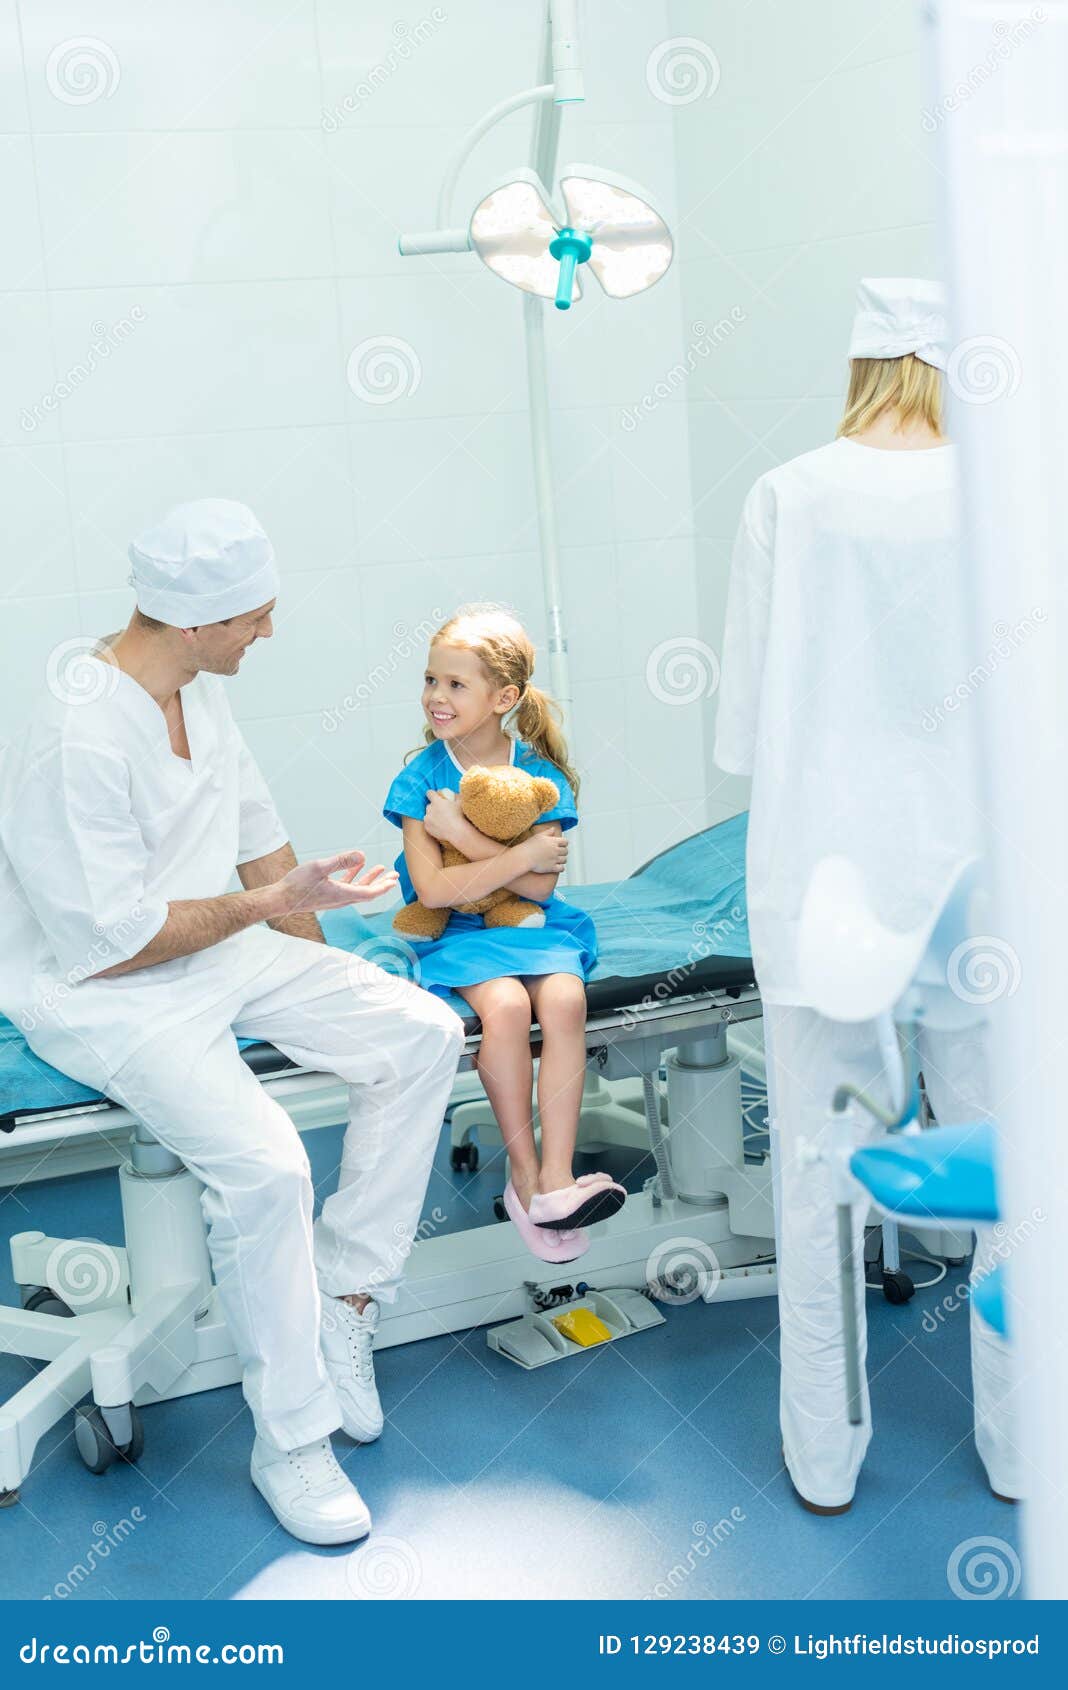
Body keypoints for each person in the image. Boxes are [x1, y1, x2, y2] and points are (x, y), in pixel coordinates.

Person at [0, 499, 465, 1546]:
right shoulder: (77, 735)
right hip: (105, 990)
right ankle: (289, 1440)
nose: (267, 631)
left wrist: (330, 984)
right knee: (269, 1170)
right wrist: (265, 908)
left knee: (418, 1032)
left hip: (214, 948)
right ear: (198, 620)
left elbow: (265, 857)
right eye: (254, 615)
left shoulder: (196, 695)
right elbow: (112, 942)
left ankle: (344, 1303)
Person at [714, 279, 1019, 1513]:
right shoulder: (1007, 496)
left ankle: (826, 1458)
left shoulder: (788, 494)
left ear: (857, 362)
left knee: (820, 1174)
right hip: (987, 881)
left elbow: (741, 729)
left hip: (827, 880)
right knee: (1013, 1172)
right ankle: (1022, 1448)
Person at [383, 605, 623, 1263]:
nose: (436, 696)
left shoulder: (539, 778)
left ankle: (557, 1178)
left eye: (455, 685)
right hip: (455, 933)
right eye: (431, 680)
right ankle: (523, 1176)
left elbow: (541, 892)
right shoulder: (421, 779)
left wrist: (462, 838)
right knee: (510, 1007)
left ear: (504, 698)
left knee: (567, 1001)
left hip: (533, 925)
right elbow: (434, 892)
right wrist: (516, 857)